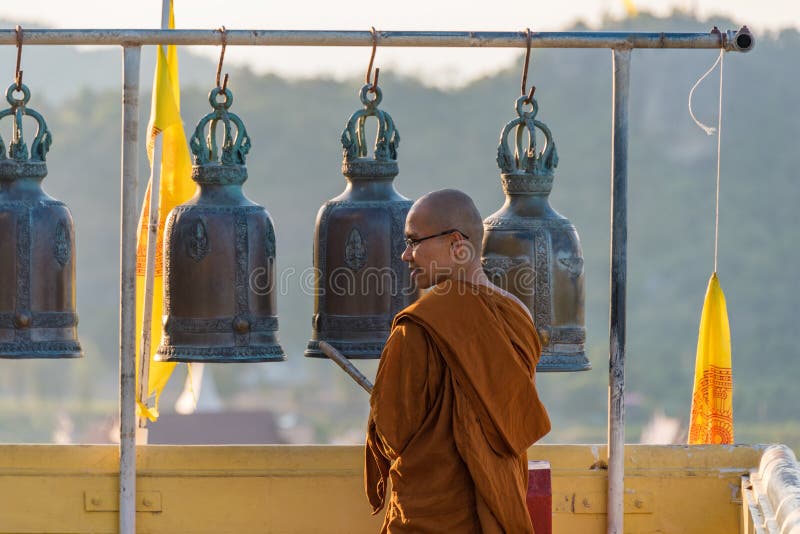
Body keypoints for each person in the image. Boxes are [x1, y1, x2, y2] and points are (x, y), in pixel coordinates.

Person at [365, 189, 551, 533]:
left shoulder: (418, 328)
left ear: (455, 243)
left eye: (414, 241)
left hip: (430, 518)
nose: (406, 255)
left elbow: (392, 433)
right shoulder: (517, 315)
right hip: (498, 508)